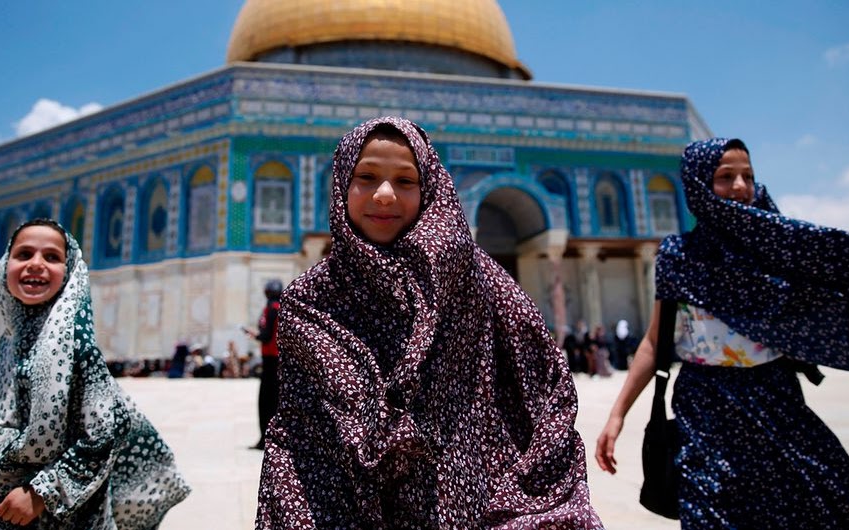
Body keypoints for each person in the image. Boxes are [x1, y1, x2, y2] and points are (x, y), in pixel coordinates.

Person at [255, 117, 602, 528]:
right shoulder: (311, 301)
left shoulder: (471, 279)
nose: (384, 195)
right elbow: (302, 440)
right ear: (340, 184)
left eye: (405, 181)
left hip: (473, 508)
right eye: (366, 176)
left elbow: (547, 385)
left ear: (431, 189)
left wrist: (526, 499)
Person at [595, 138, 849, 529]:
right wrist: (617, 415)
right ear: (699, 184)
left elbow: (839, 313)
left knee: (828, 501)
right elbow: (655, 342)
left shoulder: (777, 252)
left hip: (774, 400)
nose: (740, 186)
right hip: (705, 410)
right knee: (715, 515)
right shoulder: (679, 257)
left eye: (748, 176)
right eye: (725, 176)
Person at [0, 219, 190, 528]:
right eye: (24, 254)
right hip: (11, 507)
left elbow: (108, 430)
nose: (36, 264)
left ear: (69, 272)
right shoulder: (12, 343)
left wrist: (43, 493)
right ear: (3, 266)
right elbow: (7, 422)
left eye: (52, 257)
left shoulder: (75, 346)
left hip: (70, 516)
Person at [244, 279, 282, 450]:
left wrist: (254, 335)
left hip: (269, 361)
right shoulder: (282, 308)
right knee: (275, 402)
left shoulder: (270, 309)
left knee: (265, 403)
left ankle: (264, 440)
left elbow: (266, 336)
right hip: (279, 361)